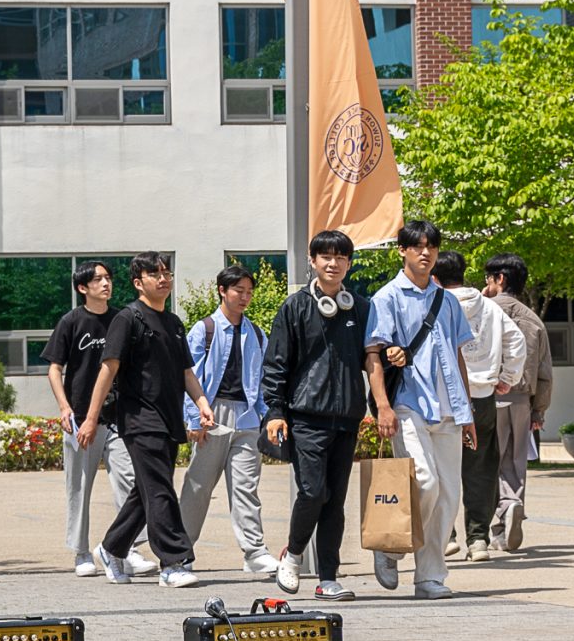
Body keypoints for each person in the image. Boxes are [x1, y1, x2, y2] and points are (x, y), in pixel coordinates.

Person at [79, 253, 213, 589]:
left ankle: (112, 548)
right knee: (161, 491)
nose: (163, 278)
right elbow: (107, 370)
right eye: (155, 274)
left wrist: (201, 402)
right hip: (140, 418)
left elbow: (186, 371)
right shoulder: (128, 319)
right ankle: (173, 562)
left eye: (166, 272)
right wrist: (91, 419)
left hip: (169, 419)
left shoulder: (173, 323)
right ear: (139, 282)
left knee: (147, 490)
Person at [364, 218, 477, 600]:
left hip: (448, 407)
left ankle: (430, 577)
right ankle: (391, 545)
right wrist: (382, 406)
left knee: (449, 495)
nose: (425, 252)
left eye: (431, 246)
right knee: (425, 482)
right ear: (403, 251)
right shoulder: (387, 298)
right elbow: (374, 356)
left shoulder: (447, 300)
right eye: (417, 246)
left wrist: (467, 412)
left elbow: (459, 355)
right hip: (408, 403)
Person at [261, 229, 373, 600]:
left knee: (335, 500)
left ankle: (328, 577)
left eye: (340, 257)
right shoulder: (295, 308)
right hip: (306, 417)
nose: (333, 263)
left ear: (348, 263)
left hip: (347, 418)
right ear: (312, 261)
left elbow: (372, 361)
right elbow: (275, 364)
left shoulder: (359, 307)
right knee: (313, 492)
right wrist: (276, 411)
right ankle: (293, 555)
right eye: (325, 256)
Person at [178, 267, 277, 578]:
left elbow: (261, 380)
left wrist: (265, 416)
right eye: (239, 291)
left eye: (249, 291)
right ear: (222, 290)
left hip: (247, 416)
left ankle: (254, 552)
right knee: (198, 486)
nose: (245, 297)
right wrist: (193, 418)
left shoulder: (257, 333)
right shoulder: (204, 329)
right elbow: (187, 376)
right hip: (212, 414)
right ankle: (180, 552)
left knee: (247, 487)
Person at [44, 261, 140, 575]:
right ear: (82, 288)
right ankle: (82, 552)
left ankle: (127, 549)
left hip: (117, 418)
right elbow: (54, 369)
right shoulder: (71, 322)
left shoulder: (121, 320)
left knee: (129, 482)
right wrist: (64, 407)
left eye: (108, 278)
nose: (106, 284)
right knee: (79, 487)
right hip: (80, 418)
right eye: (97, 279)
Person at [435, 250, 526, 563]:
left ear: (434, 276)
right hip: (483, 397)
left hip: (442, 397)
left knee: (440, 467)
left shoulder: (434, 304)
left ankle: (445, 536)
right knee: (482, 469)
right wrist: (507, 377)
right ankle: (478, 540)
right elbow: (517, 341)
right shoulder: (489, 307)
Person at [483, 255, 555, 550]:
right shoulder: (534, 319)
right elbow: (545, 371)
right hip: (523, 400)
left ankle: (489, 526)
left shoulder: (484, 312)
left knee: (488, 462)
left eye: (488, 278)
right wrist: (539, 409)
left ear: (500, 279)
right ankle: (511, 509)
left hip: (488, 397)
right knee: (515, 462)